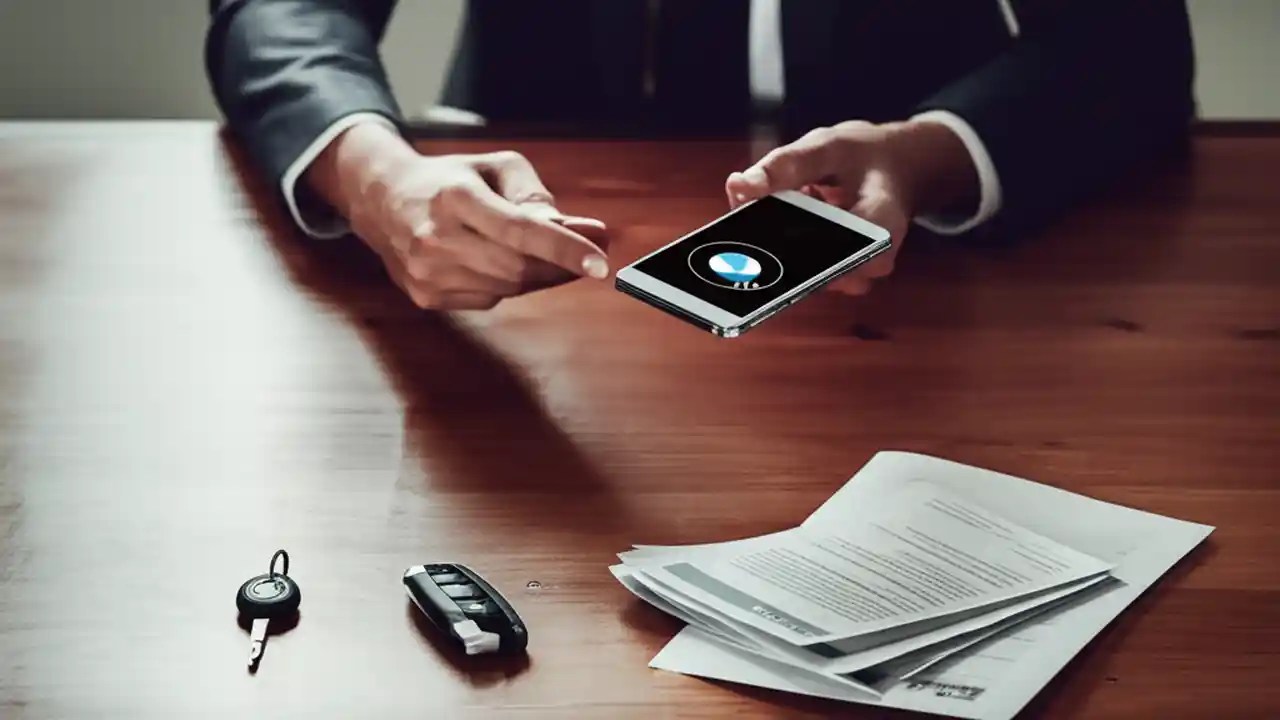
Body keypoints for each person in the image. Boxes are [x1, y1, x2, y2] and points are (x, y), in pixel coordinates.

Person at [205, 1, 1195, 310]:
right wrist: (375, 177)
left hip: (936, 299)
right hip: (528, 258)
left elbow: (1126, 47)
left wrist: (924, 155)